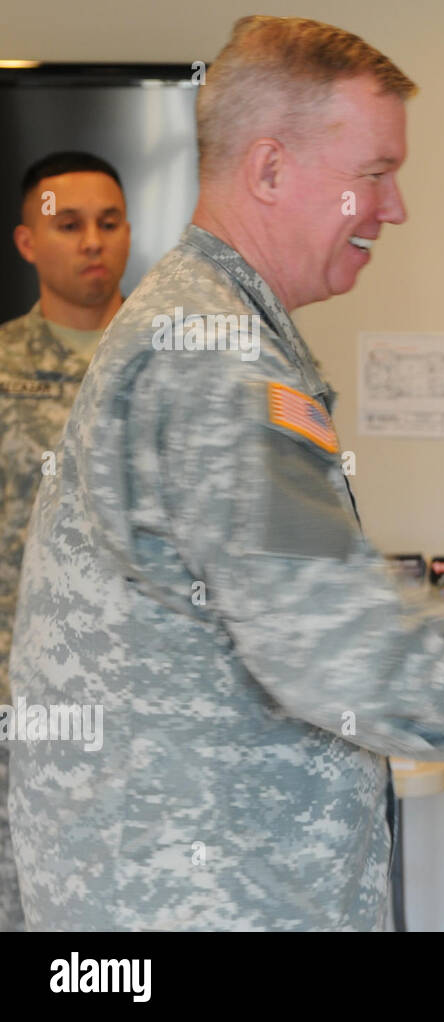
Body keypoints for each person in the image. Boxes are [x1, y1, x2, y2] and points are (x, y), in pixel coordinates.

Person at [6, 16, 444, 931]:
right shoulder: (216, 358)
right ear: (270, 170)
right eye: (375, 176)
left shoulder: (216, 323)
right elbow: (334, 653)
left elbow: (324, 591)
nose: (395, 210)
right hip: (192, 898)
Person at [0, 151, 132, 932]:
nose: (92, 242)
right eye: (68, 224)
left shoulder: (176, 361)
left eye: (108, 223)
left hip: (145, 705)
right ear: (27, 242)